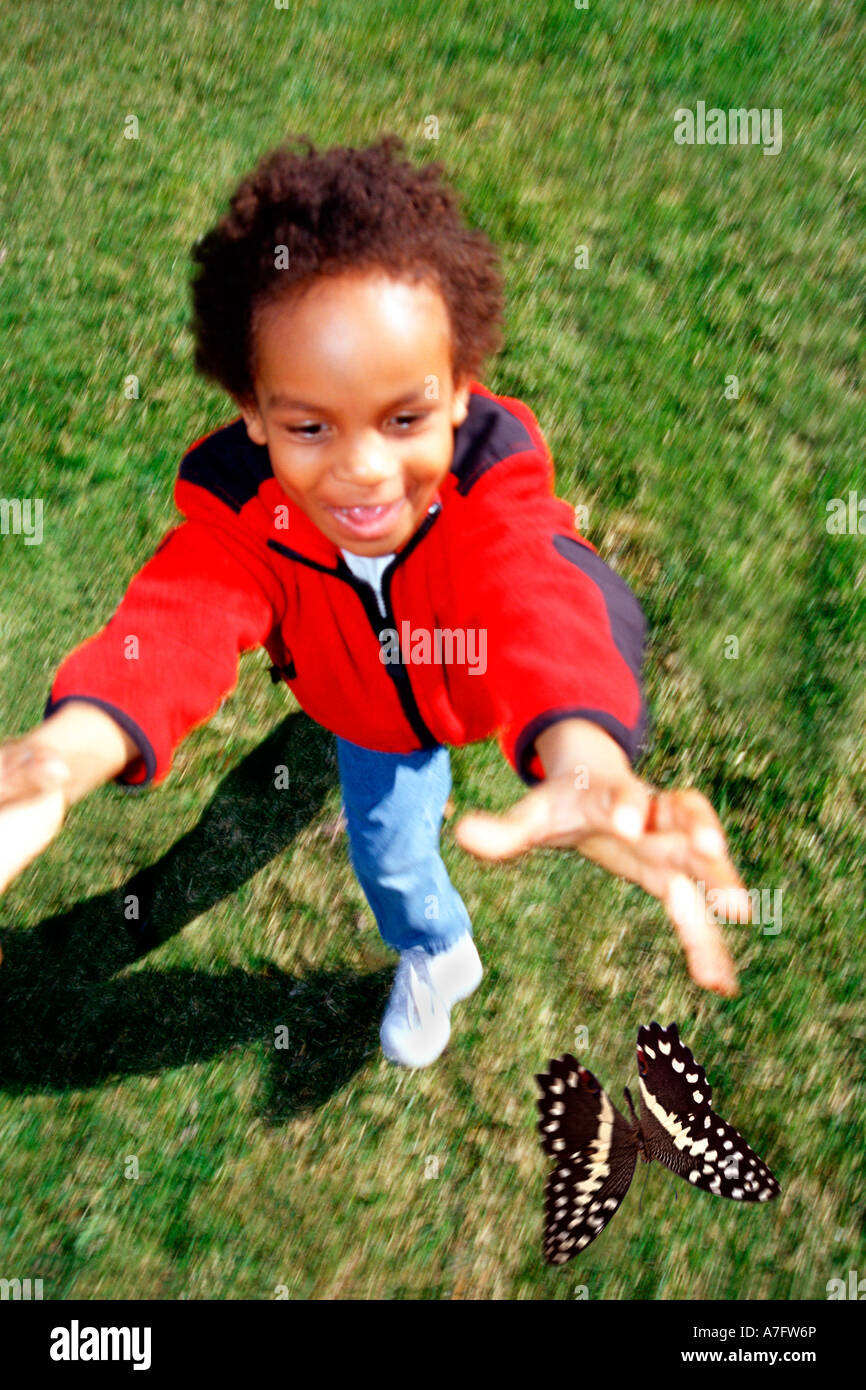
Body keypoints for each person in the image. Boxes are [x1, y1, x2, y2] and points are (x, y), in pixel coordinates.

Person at [0, 135, 750, 1068]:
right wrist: (59, 755)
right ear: (251, 412)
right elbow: (173, 625)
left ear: (461, 393)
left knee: (388, 833)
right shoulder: (243, 509)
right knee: (393, 859)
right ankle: (442, 950)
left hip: (458, 694)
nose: (361, 469)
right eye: (310, 425)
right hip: (370, 719)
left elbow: (547, 591)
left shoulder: (486, 483)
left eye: (403, 418)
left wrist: (586, 754)